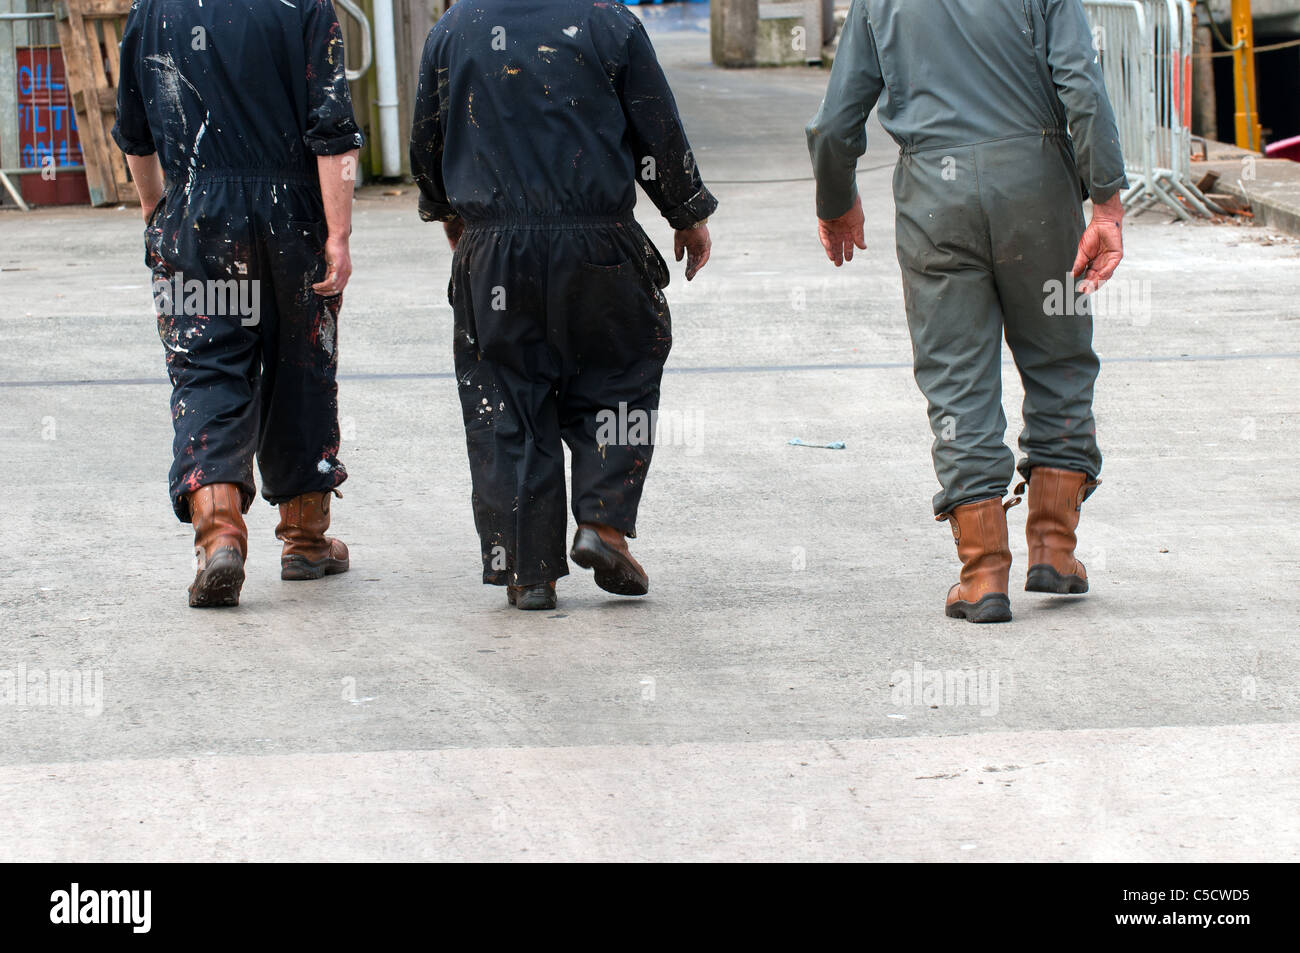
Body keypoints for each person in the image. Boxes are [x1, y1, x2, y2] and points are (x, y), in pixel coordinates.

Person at [807, 0, 1127, 623]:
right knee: (1059, 357)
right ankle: (1055, 552)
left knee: (956, 376)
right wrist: (1106, 202)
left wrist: (835, 198)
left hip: (935, 197)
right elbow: (1082, 87)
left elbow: (836, 122)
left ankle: (983, 576)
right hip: (1035, 188)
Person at [411, 0, 716, 611]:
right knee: (622, 376)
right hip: (598, 242)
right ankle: (602, 525)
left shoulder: (453, 29)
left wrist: (452, 215)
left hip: (495, 249)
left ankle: (528, 570)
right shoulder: (610, 23)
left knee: (507, 398)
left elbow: (429, 141)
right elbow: (655, 127)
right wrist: (686, 213)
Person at [113, 0, 363, 607]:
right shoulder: (305, 7)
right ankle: (304, 540)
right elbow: (332, 131)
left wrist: (155, 214)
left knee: (206, 370)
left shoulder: (151, 12)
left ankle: (220, 533)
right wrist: (338, 234)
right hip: (291, 214)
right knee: (300, 368)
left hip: (197, 214)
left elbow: (136, 135)